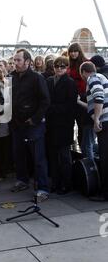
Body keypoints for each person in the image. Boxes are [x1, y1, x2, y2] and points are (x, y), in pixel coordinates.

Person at [10, 48, 50, 202]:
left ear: (27, 61)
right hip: (16, 124)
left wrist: (35, 119)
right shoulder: (11, 77)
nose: (15, 63)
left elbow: (45, 101)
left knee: (38, 158)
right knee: (18, 154)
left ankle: (43, 188)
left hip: (33, 125)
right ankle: (22, 181)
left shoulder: (36, 78)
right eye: (14, 60)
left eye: (18, 60)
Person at [45, 56, 77, 194]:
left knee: (64, 156)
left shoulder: (70, 83)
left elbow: (71, 106)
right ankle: (55, 182)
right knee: (52, 156)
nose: (59, 68)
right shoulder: (49, 81)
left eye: (62, 66)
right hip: (51, 125)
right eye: (57, 66)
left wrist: (52, 108)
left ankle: (66, 184)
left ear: (67, 68)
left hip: (64, 125)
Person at [80, 61, 108, 201]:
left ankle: (105, 194)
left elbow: (98, 98)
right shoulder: (102, 78)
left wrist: (96, 119)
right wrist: (79, 102)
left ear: (84, 72)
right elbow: (93, 104)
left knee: (105, 159)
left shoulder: (93, 79)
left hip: (105, 122)